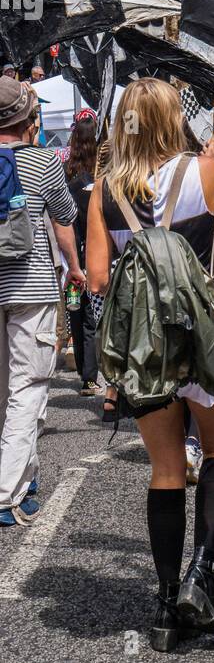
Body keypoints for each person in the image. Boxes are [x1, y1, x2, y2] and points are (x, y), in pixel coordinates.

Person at [86, 79, 214, 650]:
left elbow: (98, 278)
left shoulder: (103, 188)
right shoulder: (204, 174)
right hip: (204, 334)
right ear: (171, 120)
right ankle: (200, 575)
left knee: (165, 469)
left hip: (144, 348)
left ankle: (161, 606)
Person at [0, 78, 83, 527]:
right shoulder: (43, 162)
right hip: (30, 290)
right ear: (28, 121)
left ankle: (25, 476)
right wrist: (74, 266)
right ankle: (6, 494)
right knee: (28, 386)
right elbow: (65, 217)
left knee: (4, 391)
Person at [64, 111, 102, 402]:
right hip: (96, 259)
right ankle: (92, 375)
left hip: (71, 260)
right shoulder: (101, 182)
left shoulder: (68, 177)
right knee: (93, 317)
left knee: (77, 312)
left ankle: (85, 372)